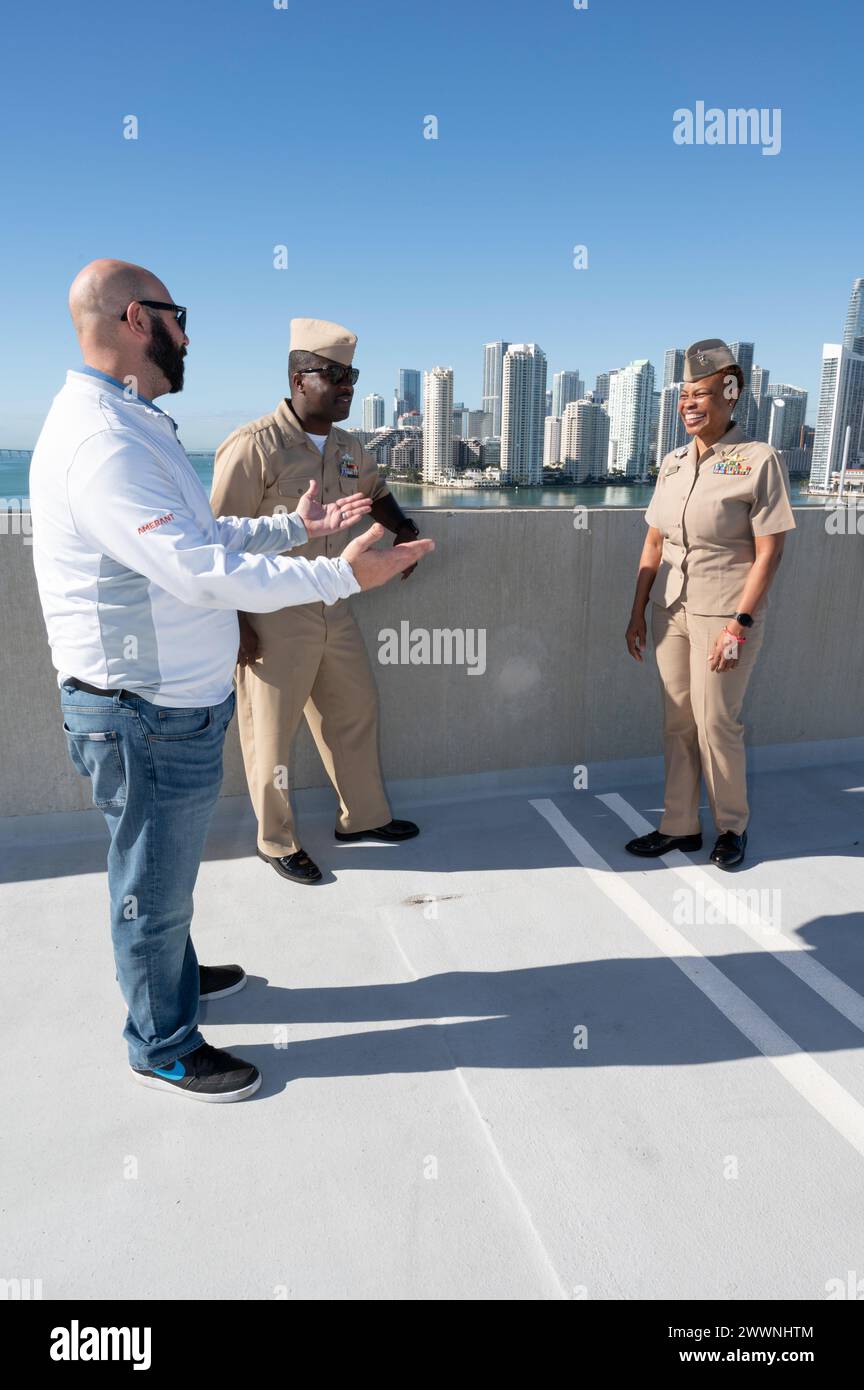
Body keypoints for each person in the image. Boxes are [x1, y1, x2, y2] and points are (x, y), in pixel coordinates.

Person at [29, 260, 433, 1103]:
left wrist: (297, 526)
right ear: (139, 319)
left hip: (166, 705)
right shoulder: (105, 442)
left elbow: (204, 531)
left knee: (161, 878)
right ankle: (163, 1042)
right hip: (140, 709)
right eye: (180, 317)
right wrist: (337, 576)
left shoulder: (133, 422)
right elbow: (198, 571)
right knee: (149, 881)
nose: (190, 335)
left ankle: (170, 974)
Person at [210, 318, 423, 885]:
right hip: (273, 615)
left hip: (336, 600)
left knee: (355, 710)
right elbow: (216, 543)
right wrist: (236, 623)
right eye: (334, 375)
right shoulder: (253, 447)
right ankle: (275, 840)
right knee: (272, 733)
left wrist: (403, 532)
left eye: (351, 375)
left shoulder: (351, 446)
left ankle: (363, 819)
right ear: (298, 378)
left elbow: (375, 494)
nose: (347, 385)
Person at [624, 338, 795, 869]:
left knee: (717, 721)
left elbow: (770, 551)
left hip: (725, 612)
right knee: (677, 720)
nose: (689, 405)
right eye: (683, 396)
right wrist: (636, 611)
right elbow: (654, 542)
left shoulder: (758, 460)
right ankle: (679, 826)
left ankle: (731, 827)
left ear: (730, 393)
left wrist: (740, 623)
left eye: (700, 394)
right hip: (669, 609)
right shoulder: (672, 464)